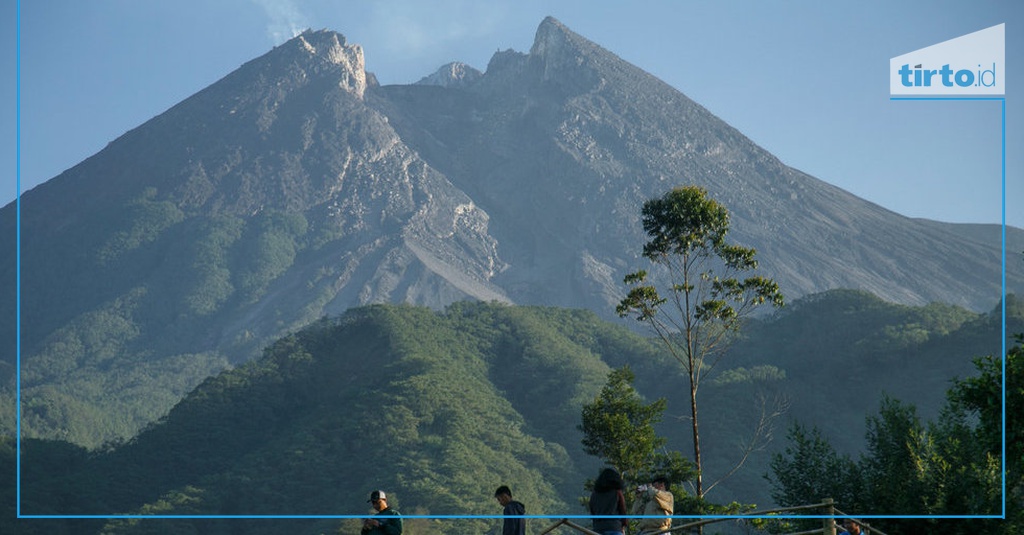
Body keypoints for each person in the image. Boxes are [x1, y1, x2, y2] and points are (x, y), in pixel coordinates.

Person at [589, 468, 628, 535]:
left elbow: (593, 512)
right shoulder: (617, 492)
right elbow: (623, 511)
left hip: (598, 529)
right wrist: (623, 525)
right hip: (614, 528)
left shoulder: (594, 494)